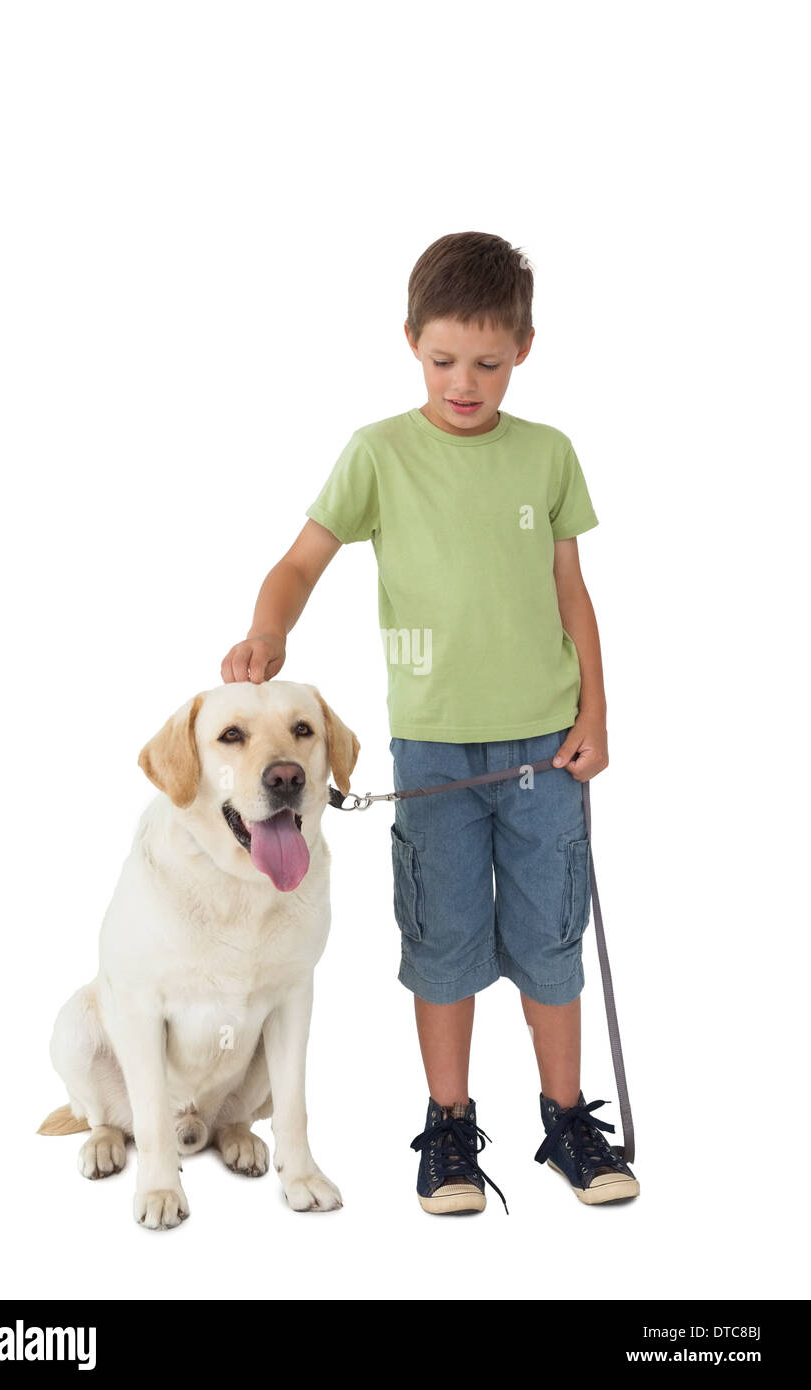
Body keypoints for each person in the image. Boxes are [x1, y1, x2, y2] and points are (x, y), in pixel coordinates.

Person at [220, 230, 639, 1214]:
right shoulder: (378, 451)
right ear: (410, 340)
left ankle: (565, 1119)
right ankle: (447, 1128)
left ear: (523, 349)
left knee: (548, 938)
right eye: (443, 358)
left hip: (546, 751)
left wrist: (596, 711)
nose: (464, 380)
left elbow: (571, 593)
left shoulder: (547, 453)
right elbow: (299, 560)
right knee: (442, 941)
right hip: (431, 754)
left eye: (487, 362)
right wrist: (265, 628)